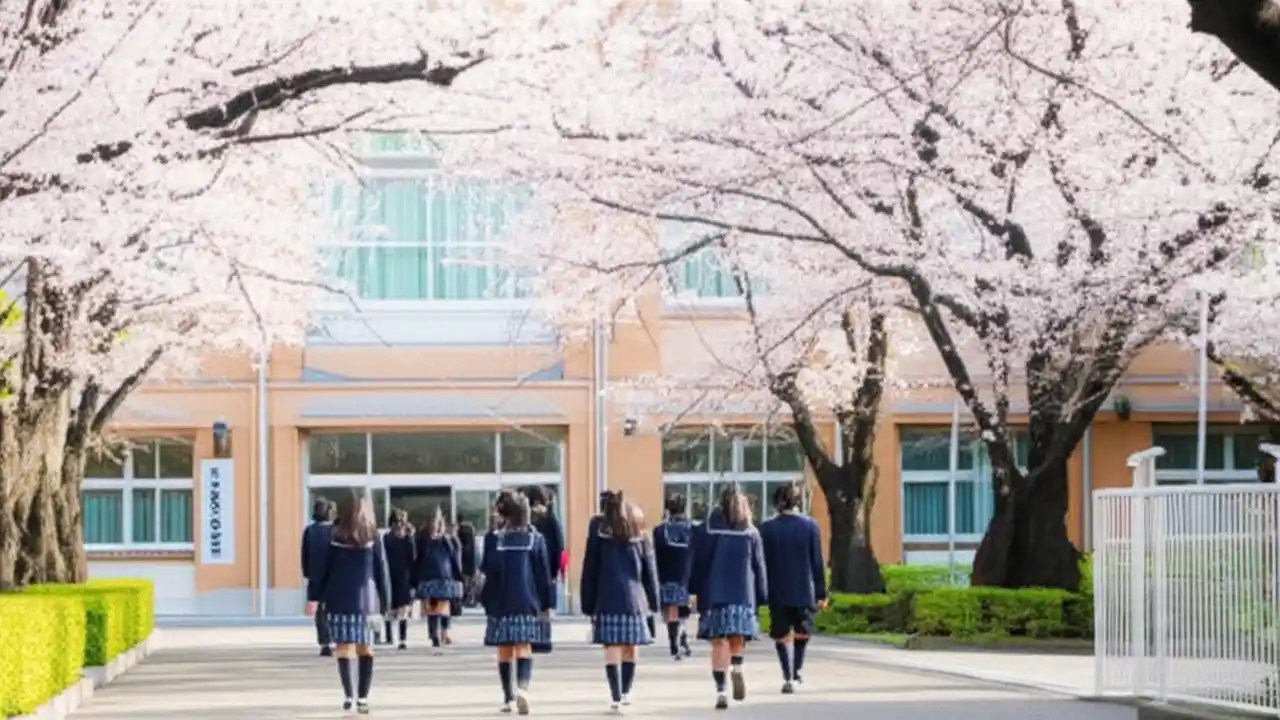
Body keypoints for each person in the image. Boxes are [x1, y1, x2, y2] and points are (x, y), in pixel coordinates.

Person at [310, 490, 389, 715]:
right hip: (367, 600)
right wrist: (386, 600)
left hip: (339, 598)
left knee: (344, 648)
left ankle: (348, 695)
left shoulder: (334, 535)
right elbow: (381, 571)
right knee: (366, 648)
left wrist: (316, 596)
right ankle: (363, 696)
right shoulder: (372, 535)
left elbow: (323, 570)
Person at [689, 485, 768, 710]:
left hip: (714, 594)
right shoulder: (751, 533)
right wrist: (762, 596)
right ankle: (738, 665)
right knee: (736, 638)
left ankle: (721, 689)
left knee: (718, 644)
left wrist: (694, 590)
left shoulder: (708, 530)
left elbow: (699, 563)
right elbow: (759, 566)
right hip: (743, 594)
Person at [580, 491, 660, 713]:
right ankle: (626, 692)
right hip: (634, 599)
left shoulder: (598, 530)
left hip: (607, 598)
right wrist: (654, 601)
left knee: (611, 647)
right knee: (630, 647)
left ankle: (615, 695)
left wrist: (588, 603)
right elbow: (649, 570)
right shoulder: (638, 528)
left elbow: (590, 568)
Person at [480, 491, 555, 715]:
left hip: (501, 600)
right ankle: (523, 688)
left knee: (504, 647)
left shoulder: (494, 539)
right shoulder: (536, 539)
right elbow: (543, 573)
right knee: (524, 645)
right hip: (528, 599)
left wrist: (486, 601)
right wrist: (546, 604)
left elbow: (487, 571)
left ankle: (507, 697)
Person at [759, 483, 827, 694]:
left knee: (780, 633)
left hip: (777, 588)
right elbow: (817, 562)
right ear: (799, 502)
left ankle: (787, 674)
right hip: (803, 589)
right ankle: (796, 670)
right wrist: (821, 593)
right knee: (802, 631)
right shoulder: (811, 527)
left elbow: (761, 563)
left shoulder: (766, 528)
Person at [412, 507, 464, 652]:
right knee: (433, 608)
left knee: (444, 608)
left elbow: (453, 557)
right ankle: (434, 634)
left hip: (444, 577)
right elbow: (418, 558)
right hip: (430, 578)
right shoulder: (424, 540)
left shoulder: (447, 540)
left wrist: (458, 576)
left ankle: (444, 632)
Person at [653, 493, 694, 660]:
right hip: (687, 575)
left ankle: (674, 644)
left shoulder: (660, 530)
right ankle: (681, 635)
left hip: (666, 575)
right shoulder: (693, 529)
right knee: (684, 611)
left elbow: (655, 555)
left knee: (670, 610)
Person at [524, 485, 564, 654]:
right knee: (545, 605)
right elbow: (559, 545)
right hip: (548, 566)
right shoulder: (551, 518)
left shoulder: (528, 519)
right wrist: (557, 569)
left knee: (534, 603)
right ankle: (544, 638)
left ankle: (534, 637)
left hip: (530, 566)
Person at [301, 499, 335, 656]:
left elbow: (304, 555)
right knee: (333, 608)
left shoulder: (310, 531)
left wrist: (307, 573)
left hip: (316, 575)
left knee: (320, 610)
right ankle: (335, 637)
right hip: (332, 575)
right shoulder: (334, 531)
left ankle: (324, 641)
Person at [381, 508, 416, 650]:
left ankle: (402, 638)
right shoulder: (387, 538)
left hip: (403, 576)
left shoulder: (407, 539)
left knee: (402, 609)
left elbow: (413, 557)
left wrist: (410, 538)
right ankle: (390, 636)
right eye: (397, 522)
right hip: (391, 575)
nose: (399, 526)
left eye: (401, 522)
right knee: (391, 608)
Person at [457, 521, 479, 607]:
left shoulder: (460, 543)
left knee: (465, 583)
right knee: (468, 583)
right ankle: (468, 598)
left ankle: (465, 598)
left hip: (464, 566)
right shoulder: (472, 543)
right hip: (469, 567)